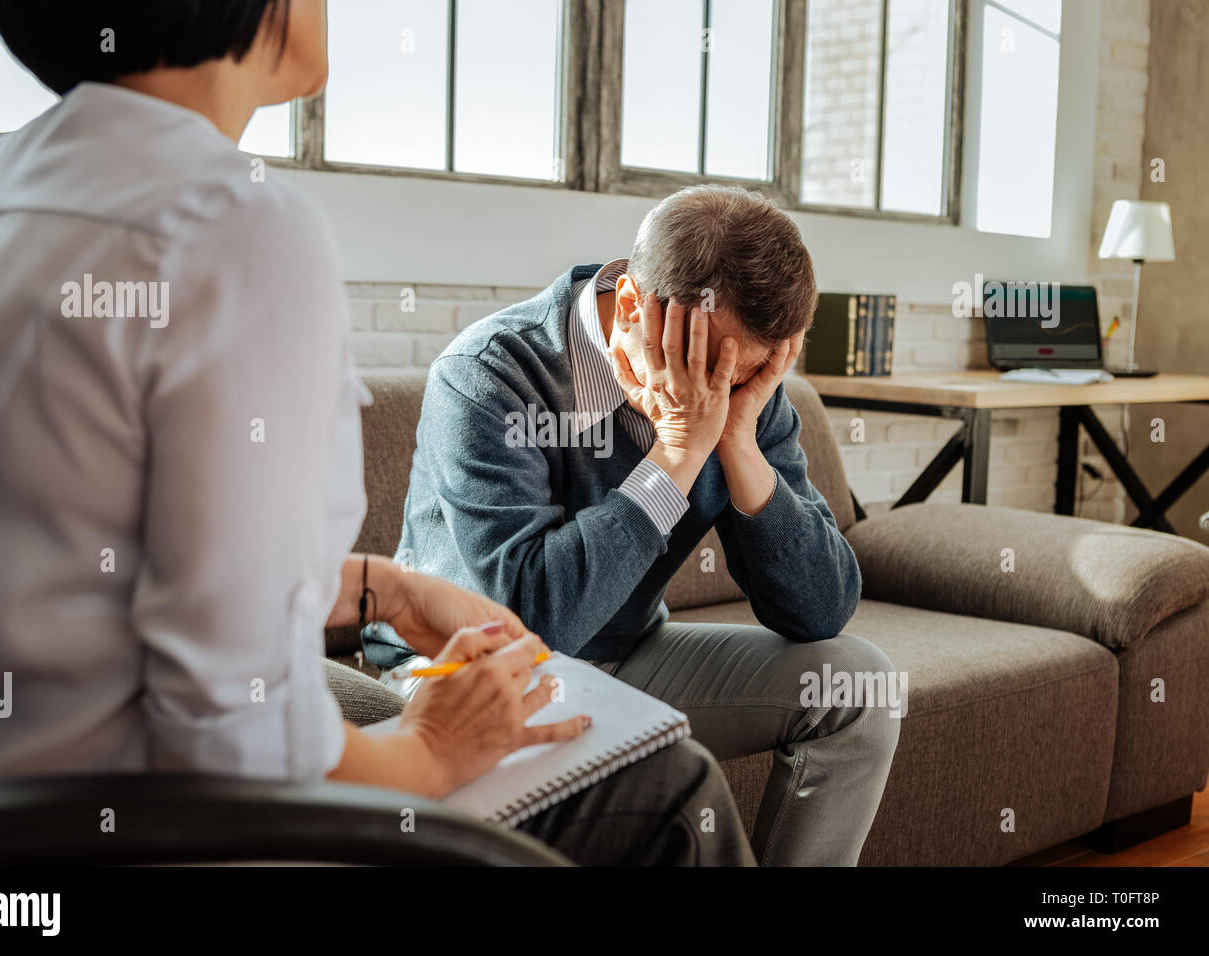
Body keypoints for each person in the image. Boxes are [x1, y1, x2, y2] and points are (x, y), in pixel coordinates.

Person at [0, 0, 752, 866]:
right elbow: (231, 742)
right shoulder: (233, 226)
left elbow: (84, 563)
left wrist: (374, 588)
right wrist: (428, 751)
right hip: (142, 825)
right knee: (671, 791)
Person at [370, 184, 903, 865]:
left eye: (742, 380)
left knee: (857, 685)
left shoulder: (745, 386)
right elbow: (531, 620)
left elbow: (822, 608)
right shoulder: (488, 375)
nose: (717, 393)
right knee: (665, 771)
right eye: (702, 368)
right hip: (465, 670)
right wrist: (677, 455)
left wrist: (738, 439)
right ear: (630, 307)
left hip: (628, 652)